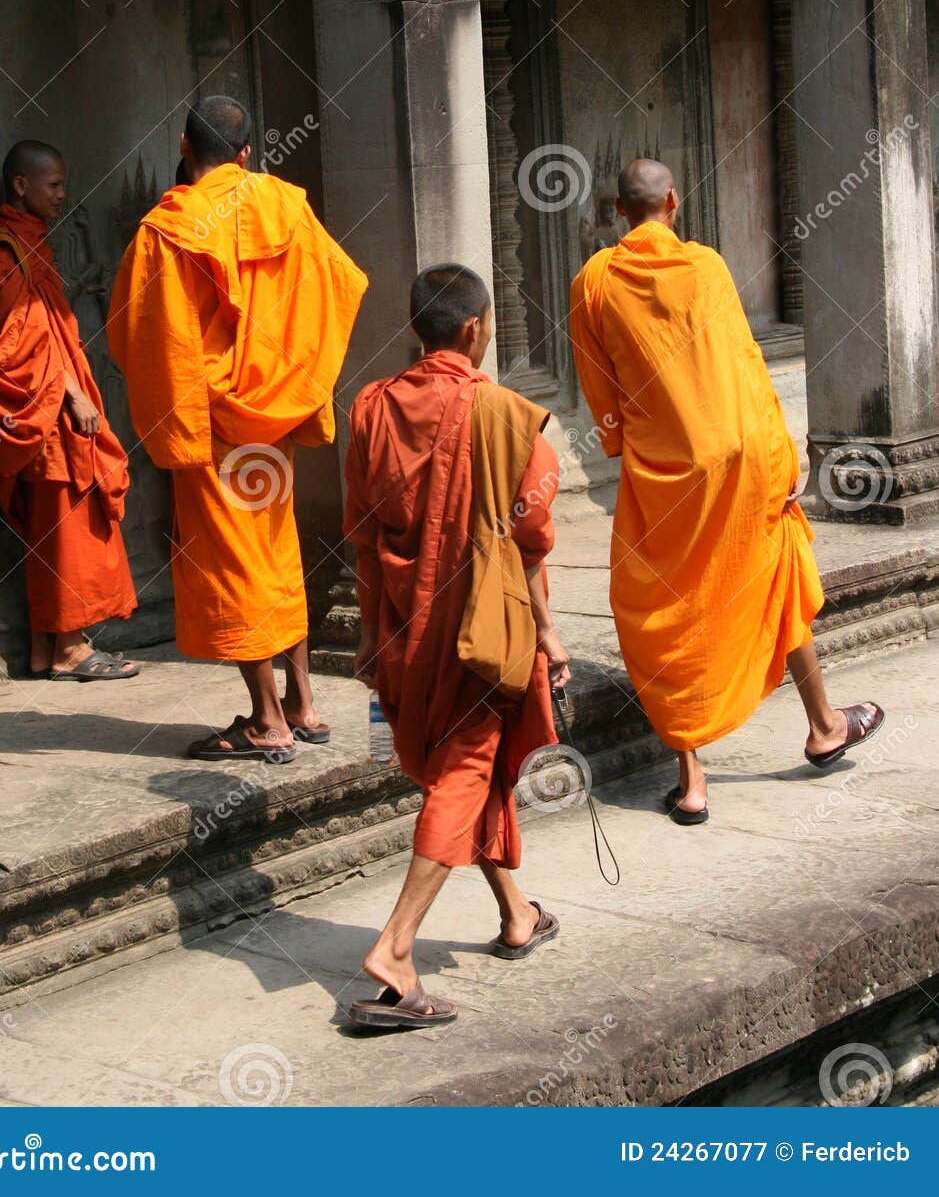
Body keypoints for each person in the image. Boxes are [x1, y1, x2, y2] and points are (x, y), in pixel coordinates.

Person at [568, 158, 884, 824]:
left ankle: (691, 781)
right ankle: (824, 725)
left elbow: (598, 392)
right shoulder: (705, 266)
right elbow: (744, 365)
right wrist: (778, 454)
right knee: (772, 572)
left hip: (663, 469)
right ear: (672, 203)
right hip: (739, 456)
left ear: (615, 210)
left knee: (665, 603)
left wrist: (628, 444)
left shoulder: (592, 282)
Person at [344, 264, 570, 1030]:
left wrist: (371, 633)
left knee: (465, 774)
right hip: (480, 633)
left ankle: (516, 914)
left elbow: (364, 533)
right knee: (466, 769)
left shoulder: (370, 409)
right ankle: (394, 949)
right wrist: (545, 630)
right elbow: (532, 536)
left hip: (407, 627)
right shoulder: (505, 416)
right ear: (473, 330)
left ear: (417, 328)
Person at [108, 96, 366, 762]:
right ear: (248, 152)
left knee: (233, 566)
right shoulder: (286, 207)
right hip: (269, 417)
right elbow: (338, 286)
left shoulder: (170, 229)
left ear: (186, 149)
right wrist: (293, 384)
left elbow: (145, 336)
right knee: (276, 552)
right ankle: (304, 702)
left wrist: (179, 431)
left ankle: (267, 720)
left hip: (213, 421)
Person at [0, 142, 139, 680]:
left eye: (64, 185)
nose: (62, 195)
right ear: (20, 185)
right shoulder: (3, 251)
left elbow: (47, 327)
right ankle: (69, 648)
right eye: (53, 185)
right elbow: (16, 342)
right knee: (64, 529)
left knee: (60, 530)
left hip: (55, 410)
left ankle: (52, 650)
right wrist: (71, 395)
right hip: (46, 415)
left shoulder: (29, 244)